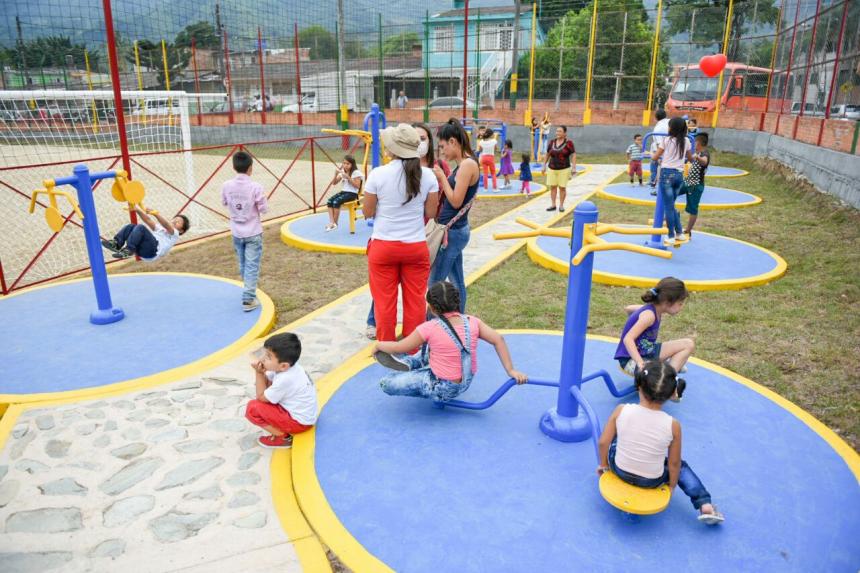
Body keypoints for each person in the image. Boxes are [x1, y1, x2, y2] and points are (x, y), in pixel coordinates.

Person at [596, 361, 724, 525]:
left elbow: (603, 443)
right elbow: (674, 462)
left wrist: (604, 466)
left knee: (614, 439)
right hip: (651, 481)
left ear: (639, 386)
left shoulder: (621, 410)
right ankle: (704, 503)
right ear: (672, 393)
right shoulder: (673, 425)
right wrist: (670, 486)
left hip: (619, 470)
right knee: (682, 467)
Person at [373, 281, 528, 403]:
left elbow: (400, 347)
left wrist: (379, 345)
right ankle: (414, 364)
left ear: (432, 308)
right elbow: (498, 340)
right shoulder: (473, 321)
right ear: (457, 302)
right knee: (435, 349)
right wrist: (511, 370)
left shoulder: (429, 327)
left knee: (386, 383)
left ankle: (415, 368)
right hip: (465, 382)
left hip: (441, 387)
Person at [363, 123, 439, 343]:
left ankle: (386, 347)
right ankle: (412, 348)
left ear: (392, 149)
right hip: (415, 246)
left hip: (383, 246)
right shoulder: (428, 176)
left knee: (384, 302)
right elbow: (431, 212)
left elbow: (367, 212)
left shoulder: (378, 174)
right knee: (415, 302)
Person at [430, 118, 480, 312]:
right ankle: (460, 323)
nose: (443, 152)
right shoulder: (467, 163)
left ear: (453, 141)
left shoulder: (467, 165)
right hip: (456, 231)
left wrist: (442, 177)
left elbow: (456, 200)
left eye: (443, 147)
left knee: (435, 284)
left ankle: (434, 330)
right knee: (457, 280)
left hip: (452, 233)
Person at [614, 277, 695, 383]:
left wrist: (634, 314)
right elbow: (628, 339)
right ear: (667, 302)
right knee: (672, 364)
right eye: (680, 303)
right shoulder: (649, 316)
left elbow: (628, 308)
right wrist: (640, 363)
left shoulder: (653, 309)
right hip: (630, 360)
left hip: (648, 352)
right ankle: (665, 382)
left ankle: (667, 377)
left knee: (688, 344)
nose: (681, 307)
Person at [245, 332, 317, 449]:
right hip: (305, 416)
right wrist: (263, 374)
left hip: (299, 423)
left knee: (253, 408)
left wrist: (258, 373)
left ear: (283, 366)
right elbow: (269, 384)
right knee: (267, 393)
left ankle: (283, 438)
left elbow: (261, 397)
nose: (262, 358)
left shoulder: (285, 378)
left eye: (268, 357)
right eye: (264, 353)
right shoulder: (290, 368)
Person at [221, 151, 268, 311]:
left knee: (243, 263)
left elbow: (224, 202)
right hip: (253, 231)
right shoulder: (256, 187)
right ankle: (248, 299)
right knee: (252, 265)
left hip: (236, 231)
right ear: (250, 168)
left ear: (234, 167)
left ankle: (248, 289)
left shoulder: (226, 185)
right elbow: (264, 208)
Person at [651, 117, 694, 245]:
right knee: (671, 206)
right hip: (679, 176)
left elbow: (655, 156)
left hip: (666, 175)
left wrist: (654, 156)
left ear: (671, 128)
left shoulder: (666, 140)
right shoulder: (686, 141)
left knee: (668, 208)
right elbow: (690, 158)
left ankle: (671, 235)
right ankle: (679, 233)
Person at [101, 205, 189, 262]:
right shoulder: (160, 229)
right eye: (175, 219)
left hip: (152, 251)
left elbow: (166, 225)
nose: (175, 221)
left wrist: (156, 214)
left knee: (141, 228)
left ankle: (128, 250)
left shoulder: (175, 234)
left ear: (181, 230)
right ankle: (116, 243)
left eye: (178, 222)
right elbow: (148, 220)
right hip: (143, 249)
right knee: (131, 226)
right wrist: (137, 209)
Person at [681, 132, 710, 238]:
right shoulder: (697, 153)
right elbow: (689, 159)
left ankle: (688, 230)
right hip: (687, 182)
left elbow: (704, 162)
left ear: (699, 143)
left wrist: (698, 157)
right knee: (673, 192)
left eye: (694, 143)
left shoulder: (705, 153)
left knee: (693, 208)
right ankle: (671, 214)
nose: (693, 145)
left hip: (696, 185)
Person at [325, 155, 364, 232]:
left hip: (352, 194)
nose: (345, 165)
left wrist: (348, 178)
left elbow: (357, 186)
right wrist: (336, 174)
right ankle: (332, 222)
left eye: (348, 164)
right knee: (329, 201)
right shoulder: (343, 172)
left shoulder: (356, 172)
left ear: (352, 164)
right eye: (344, 163)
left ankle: (335, 223)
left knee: (336, 202)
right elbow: (334, 183)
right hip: (344, 192)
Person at [543, 125, 576, 212]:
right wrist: (544, 165)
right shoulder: (552, 142)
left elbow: (573, 155)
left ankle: (561, 205)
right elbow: (548, 154)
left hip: (564, 169)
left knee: (562, 187)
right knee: (553, 187)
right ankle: (553, 205)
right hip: (552, 168)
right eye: (557, 131)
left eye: (560, 131)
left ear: (565, 133)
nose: (557, 133)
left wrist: (574, 167)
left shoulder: (569, 143)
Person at [649, 109, 670, 191]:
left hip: (663, 151)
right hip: (674, 150)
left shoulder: (658, 128)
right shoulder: (671, 122)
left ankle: (654, 182)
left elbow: (659, 144)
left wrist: (659, 156)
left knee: (656, 165)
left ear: (656, 117)